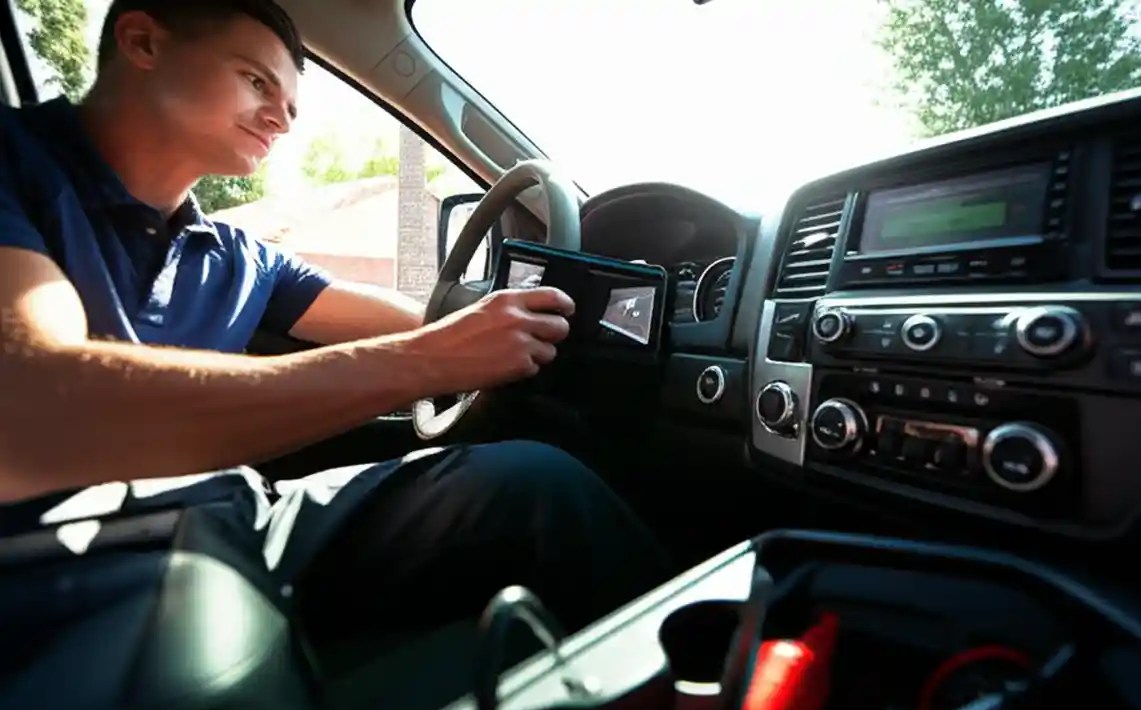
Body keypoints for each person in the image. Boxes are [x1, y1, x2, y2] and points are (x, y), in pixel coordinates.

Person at [0, 0, 670, 663]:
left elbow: (427, 320)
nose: (280, 121)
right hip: (46, 556)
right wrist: (427, 360)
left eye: (290, 107)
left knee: (534, 484)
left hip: (219, 517)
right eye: (256, 81)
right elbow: (35, 411)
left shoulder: (239, 256)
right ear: (143, 42)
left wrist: (541, 325)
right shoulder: (15, 163)